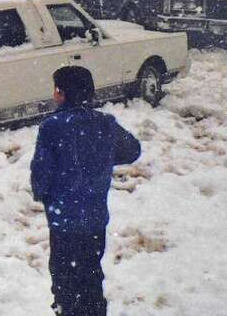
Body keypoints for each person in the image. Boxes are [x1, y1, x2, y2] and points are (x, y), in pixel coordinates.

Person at [31, 66, 141, 316]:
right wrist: (101, 159)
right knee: (91, 274)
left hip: (64, 221)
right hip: (94, 219)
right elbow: (132, 150)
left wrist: (42, 193)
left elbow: (41, 174)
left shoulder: (52, 127)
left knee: (64, 279)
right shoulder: (105, 124)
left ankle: (67, 310)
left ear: (60, 94)